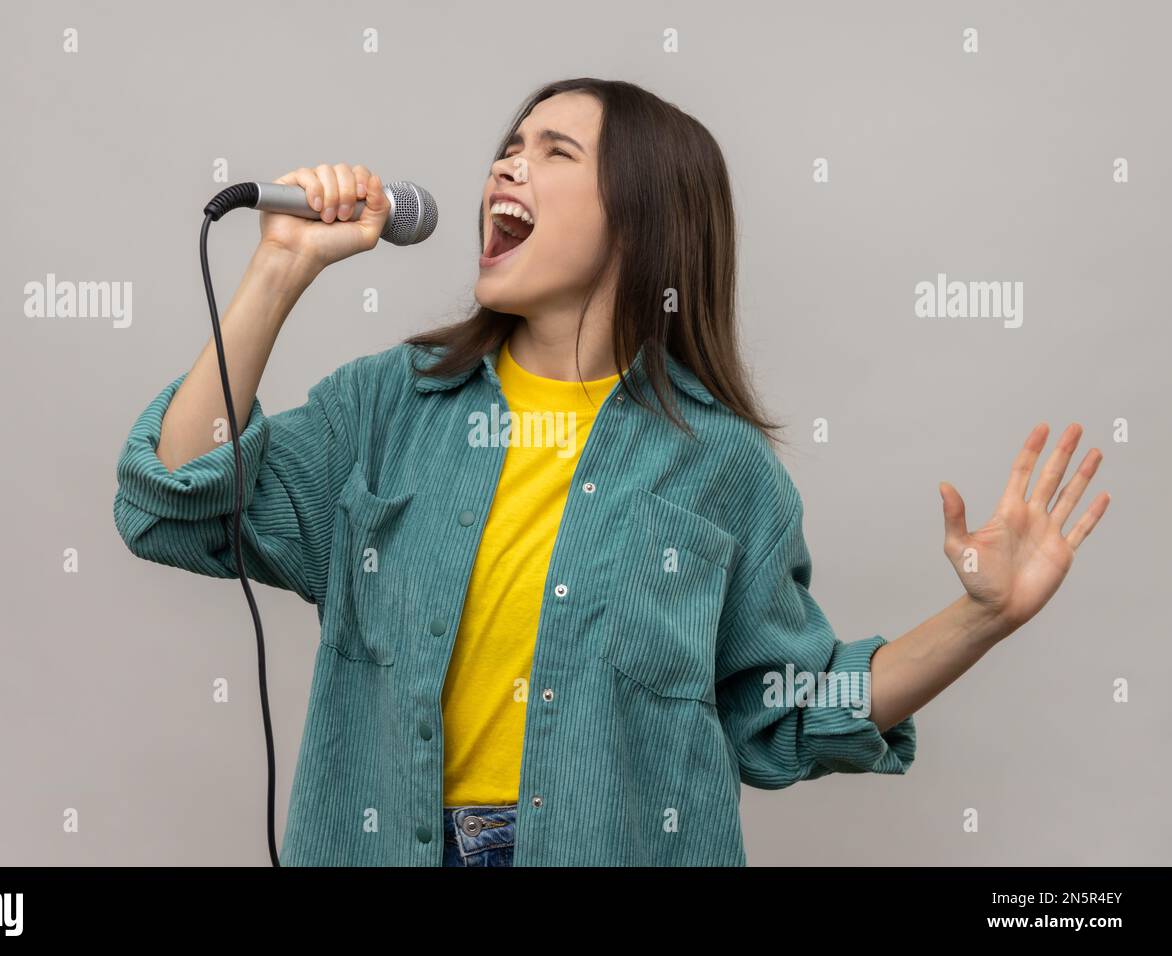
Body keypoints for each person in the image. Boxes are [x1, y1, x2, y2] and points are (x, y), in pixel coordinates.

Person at [113, 78, 1110, 867]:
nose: (508, 165)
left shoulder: (717, 465)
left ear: (641, 221)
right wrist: (277, 271)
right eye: (510, 144)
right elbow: (170, 499)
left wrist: (985, 615)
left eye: (554, 152)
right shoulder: (385, 405)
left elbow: (784, 710)